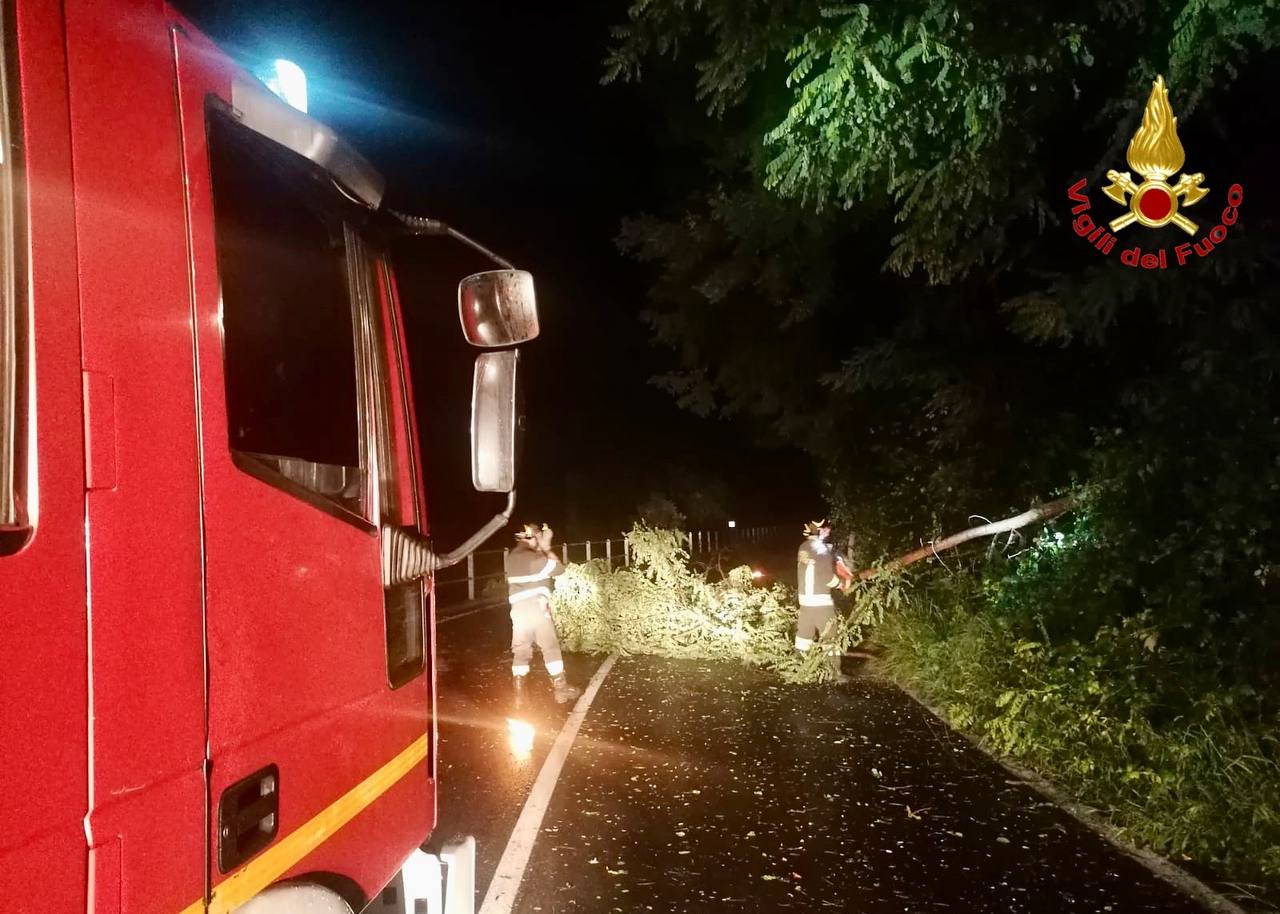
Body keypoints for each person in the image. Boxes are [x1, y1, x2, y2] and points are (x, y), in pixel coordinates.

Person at [505, 523, 581, 706]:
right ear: (532, 537)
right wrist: (546, 546)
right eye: (538, 535)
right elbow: (559, 569)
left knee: (521, 650)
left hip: (518, 611)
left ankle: (519, 695)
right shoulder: (534, 558)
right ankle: (561, 689)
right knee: (550, 646)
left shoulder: (512, 557)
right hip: (537, 609)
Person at [795, 518, 854, 683]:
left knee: (803, 637)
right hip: (821, 602)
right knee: (831, 638)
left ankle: (799, 667)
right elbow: (827, 577)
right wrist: (841, 584)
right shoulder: (822, 549)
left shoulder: (803, 547)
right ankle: (834, 673)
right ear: (818, 531)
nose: (828, 532)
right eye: (825, 529)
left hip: (805, 602)